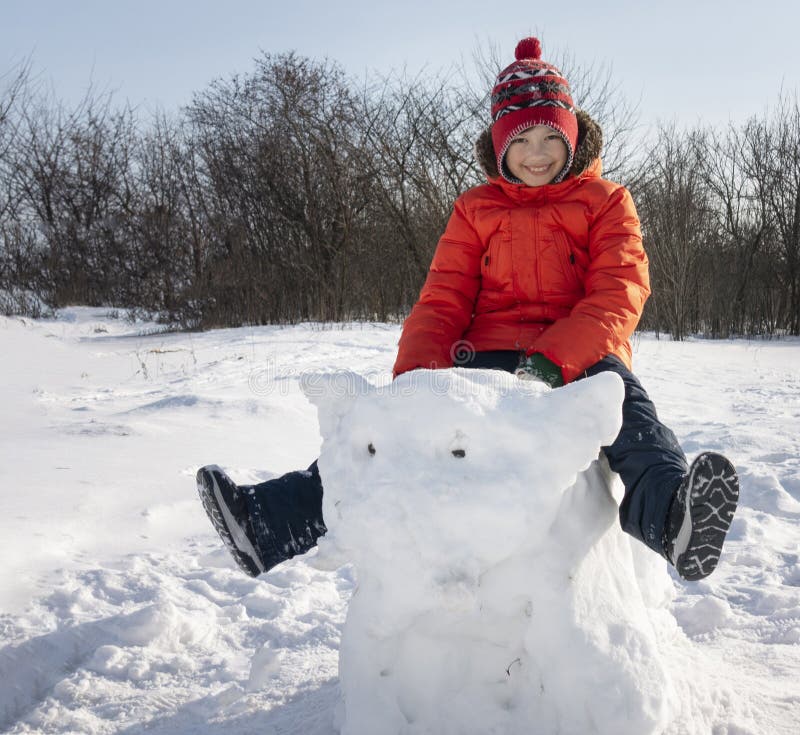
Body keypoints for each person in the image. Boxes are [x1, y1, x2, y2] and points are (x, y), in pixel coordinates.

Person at [196, 38, 739, 583]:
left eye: (552, 136)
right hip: (484, 354)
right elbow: (444, 296)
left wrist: (556, 360)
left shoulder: (606, 202)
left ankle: (673, 518)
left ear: (573, 136)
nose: (538, 153)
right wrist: (416, 375)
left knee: (634, 425)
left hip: (581, 358)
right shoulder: (476, 209)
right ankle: (267, 523)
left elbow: (619, 289)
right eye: (522, 139)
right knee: (382, 435)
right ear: (500, 146)